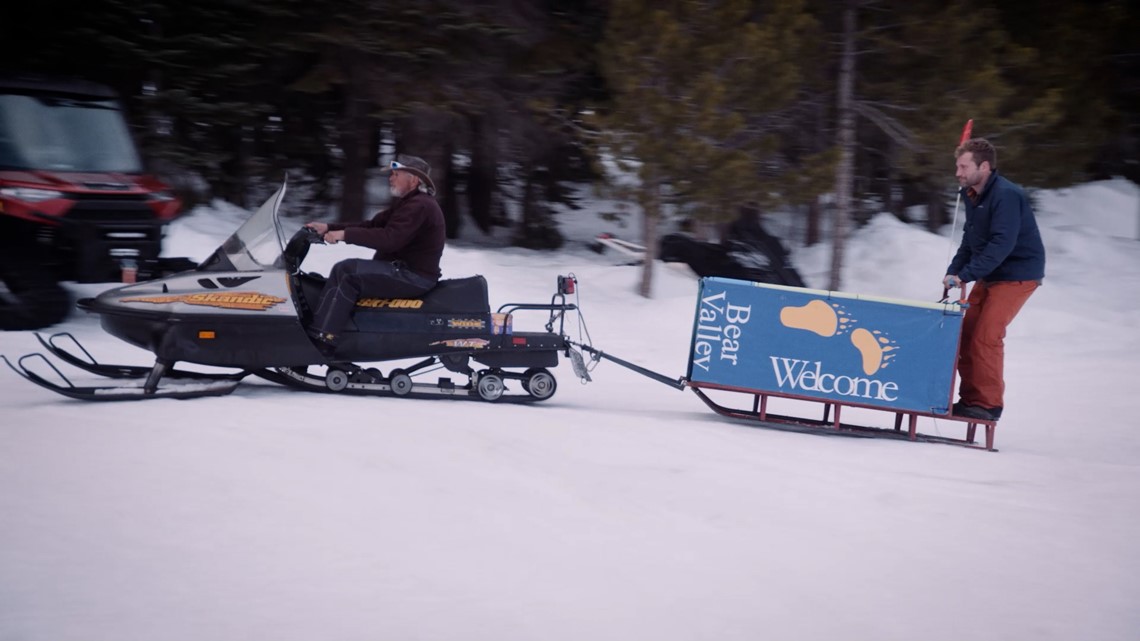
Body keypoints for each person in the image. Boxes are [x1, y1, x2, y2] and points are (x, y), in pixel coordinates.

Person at [943, 138, 1045, 421]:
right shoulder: (972, 194)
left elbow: (1002, 244)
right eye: (957, 166)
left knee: (986, 336)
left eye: (964, 167)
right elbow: (970, 240)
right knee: (965, 334)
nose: (958, 173)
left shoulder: (1006, 195)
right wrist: (953, 271)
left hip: (1017, 274)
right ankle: (971, 400)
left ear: (984, 167)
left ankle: (988, 405)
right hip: (990, 273)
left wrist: (966, 275)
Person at [305, 154, 446, 352]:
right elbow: (372, 225)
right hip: (404, 271)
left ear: (413, 180)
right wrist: (329, 227)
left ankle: (321, 341)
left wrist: (344, 235)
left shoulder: (420, 206)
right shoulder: (409, 203)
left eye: (396, 174)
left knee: (346, 273)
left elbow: (390, 239)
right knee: (342, 273)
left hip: (413, 276)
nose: (391, 178)